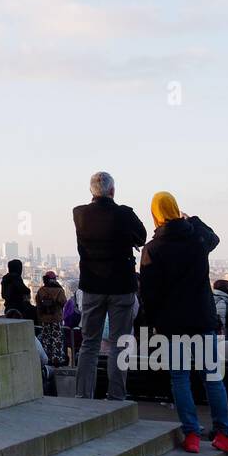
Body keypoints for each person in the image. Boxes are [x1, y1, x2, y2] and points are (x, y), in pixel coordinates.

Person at [138, 191, 228, 455]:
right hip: (201, 318)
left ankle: (192, 434)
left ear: (155, 214)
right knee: (212, 376)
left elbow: (149, 293)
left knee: (180, 378)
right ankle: (225, 432)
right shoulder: (196, 239)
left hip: (172, 323)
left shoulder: (153, 249)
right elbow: (214, 237)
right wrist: (191, 219)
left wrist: (152, 323)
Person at [72, 171, 147, 400]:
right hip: (121, 286)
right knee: (118, 344)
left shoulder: (80, 214)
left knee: (90, 343)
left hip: (92, 285)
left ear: (91, 191)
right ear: (112, 191)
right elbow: (142, 237)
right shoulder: (124, 214)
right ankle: (116, 396)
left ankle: (83, 396)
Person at [34, 272, 67, 367]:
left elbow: (38, 305)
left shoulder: (41, 290)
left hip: (45, 319)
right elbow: (63, 302)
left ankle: (47, 360)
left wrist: (40, 317)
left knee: (46, 339)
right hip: (56, 319)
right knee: (57, 340)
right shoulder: (59, 290)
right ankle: (57, 360)